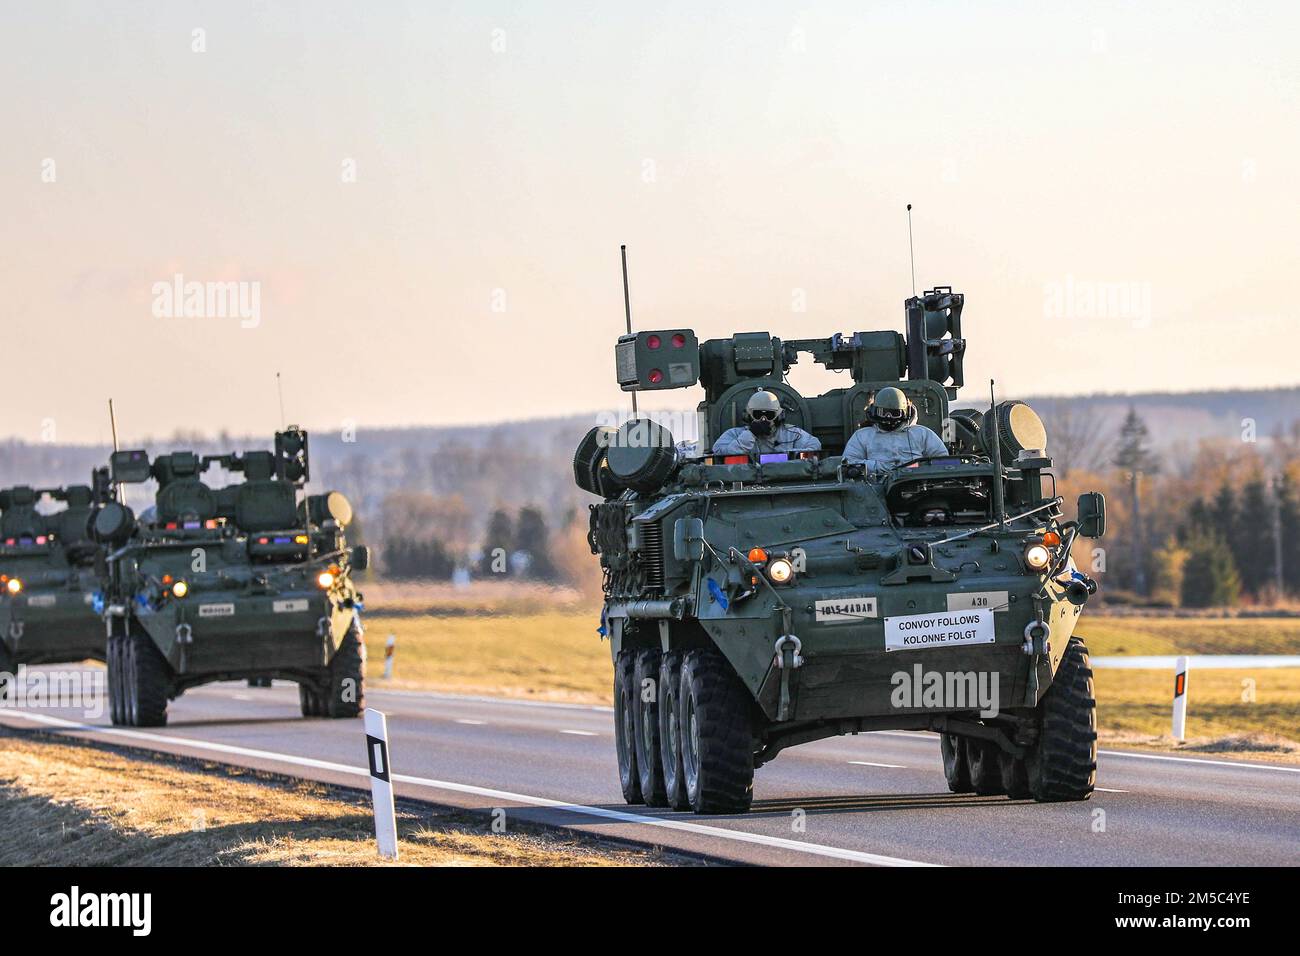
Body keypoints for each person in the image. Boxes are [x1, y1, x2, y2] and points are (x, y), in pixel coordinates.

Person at [843, 386, 947, 475]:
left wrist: (920, 466)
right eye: (883, 412)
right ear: (873, 412)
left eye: (895, 413)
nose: (888, 417)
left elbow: (943, 461)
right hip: (875, 485)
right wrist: (878, 466)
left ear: (907, 413)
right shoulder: (863, 436)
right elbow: (849, 462)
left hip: (917, 482)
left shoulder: (922, 434)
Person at [712, 390, 821, 458]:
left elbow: (814, 446)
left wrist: (788, 455)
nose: (763, 419)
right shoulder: (734, 435)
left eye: (769, 415)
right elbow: (719, 452)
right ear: (748, 415)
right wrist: (750, 435)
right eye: (758, 414)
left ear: (778, 416)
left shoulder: (792, 434)